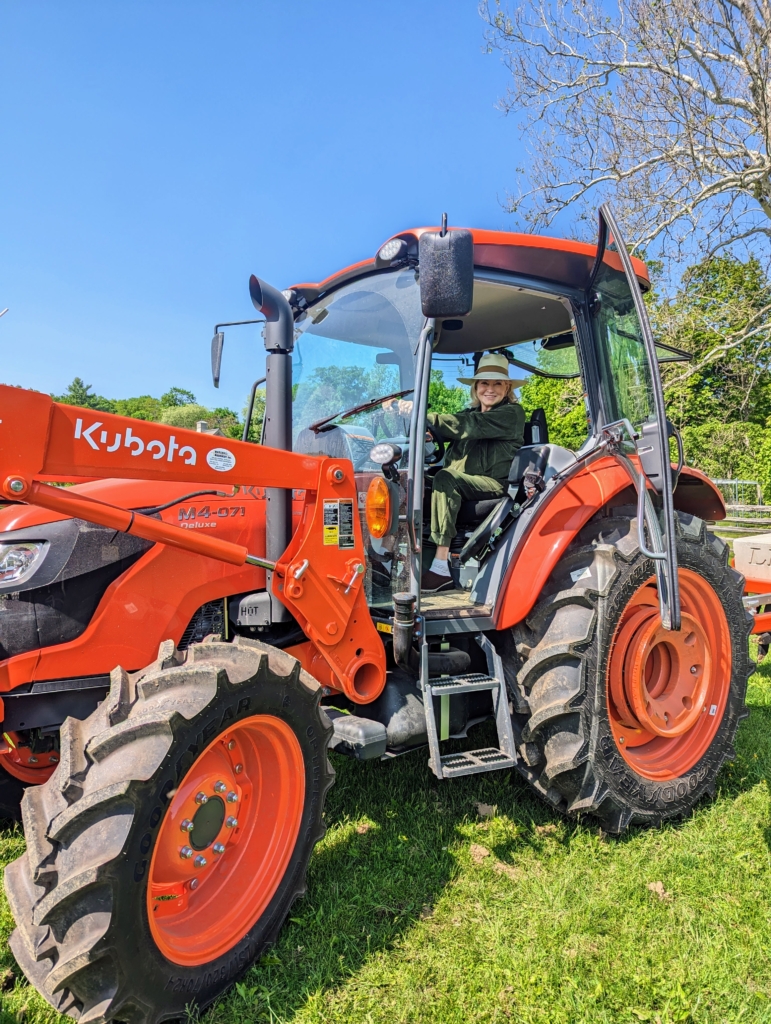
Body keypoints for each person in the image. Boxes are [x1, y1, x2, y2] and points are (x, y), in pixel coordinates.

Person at [392, 352, 526, 593]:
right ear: (476, 388)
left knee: (445, 478)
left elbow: (466, 427)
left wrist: (422, 414)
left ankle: (441, 568)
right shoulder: (469, 413)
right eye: (484, 383)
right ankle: (393, 557)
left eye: (498, 383)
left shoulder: (512, 414)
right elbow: (455, 426)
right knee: (406, 480)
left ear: (507, 388)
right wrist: (427, 430)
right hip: (465, 482)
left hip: (493, 484)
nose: (490, 389)